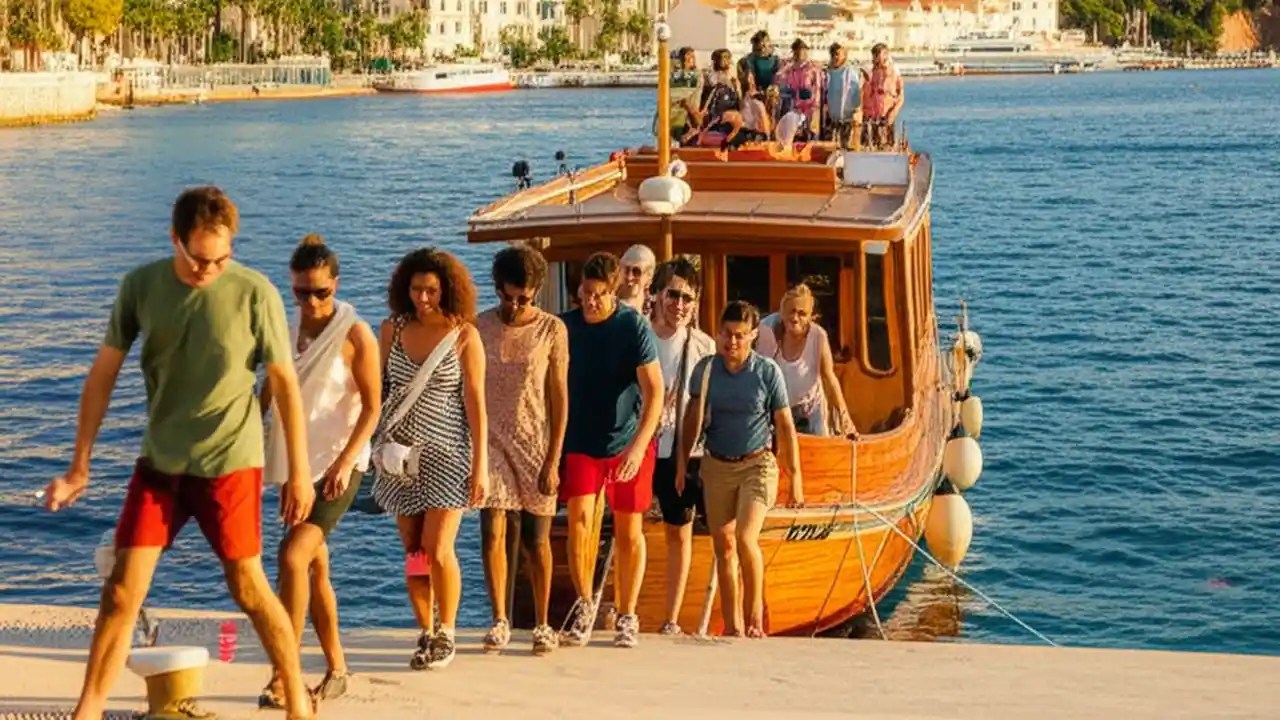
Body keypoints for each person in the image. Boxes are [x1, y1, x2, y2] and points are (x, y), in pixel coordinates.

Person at [42, 186, 317, 720]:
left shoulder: (255, 292)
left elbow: (284, 386)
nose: (210, 269)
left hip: (230, 464)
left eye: (222, 258)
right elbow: (103, 374)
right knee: (121, 592)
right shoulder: (141, 287)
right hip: (161, 463)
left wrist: (299, 474)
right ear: (176, 241)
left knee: (248, 586)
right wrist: (81, 464)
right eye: (199, 259)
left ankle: (298, 703)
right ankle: (88, 711)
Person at [257, 234, 381, 708]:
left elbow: (372, 408)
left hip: (337, 469)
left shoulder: (355, 335)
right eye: (301, 292)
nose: (311, 301)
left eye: (320, 292)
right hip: (295, 469)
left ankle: (282, 676)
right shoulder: (286, 334)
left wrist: (346, 462)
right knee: (314, 568)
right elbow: (267, 394)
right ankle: (337, 668)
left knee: (292, 557)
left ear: (336, 284)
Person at [372, 248, 488, 671]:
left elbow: (475, 402)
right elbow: (378, 392)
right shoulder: (392, 330)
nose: (423, 297)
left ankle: (447, 632)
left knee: (439, 548)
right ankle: (425, 629)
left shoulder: (464, 337)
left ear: (448, 290)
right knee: (413, 551)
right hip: (401, 456)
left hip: (449, 455)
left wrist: (481, 466)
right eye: (417, 289)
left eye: (432, 290)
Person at [677, 300, 802, 638]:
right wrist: (680, 463)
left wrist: (796, 477)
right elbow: (691, 420)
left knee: (746, 538)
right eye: (727, 335)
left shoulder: (766, 372)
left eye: (740, 336)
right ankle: (733, 627)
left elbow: (785, 425)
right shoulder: (705, 371)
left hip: (757, 464)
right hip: (717, 465)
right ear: (718, 334)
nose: (732, 343)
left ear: (753, 337)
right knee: (724, 546)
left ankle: (755, 619)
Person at [559, 251, 663, 649]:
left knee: (628, 530)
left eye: (600, 294)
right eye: (586, 292)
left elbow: (655, 391)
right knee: (579, 523)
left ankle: (627, 612)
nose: (591, 301)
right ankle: (585, 603)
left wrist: (638, 448)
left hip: (627, 440)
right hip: (582, 440)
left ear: (614, 291)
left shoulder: (632, 326)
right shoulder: (565, 327)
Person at [475, 245, 569, 656]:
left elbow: (559, 396)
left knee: (536, 539)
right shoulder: (479, 327)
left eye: (523, 299)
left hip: (535, 440)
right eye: (507, 296)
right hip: (491, 439)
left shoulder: (551, 330)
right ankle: (499, 619)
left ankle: (544, 623)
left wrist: (554, 457)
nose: (514, 306)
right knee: (493, 526)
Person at [648, 258, 716, 636]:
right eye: (672, 294)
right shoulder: (639, 336)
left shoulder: (703, 347)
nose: (679, 304)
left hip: (684, 452)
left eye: (687, 297)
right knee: (627, 530)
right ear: (657, 295)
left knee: (681, 530)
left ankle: (671, 618)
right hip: (641, 448)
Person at [755, 284, 856, 437]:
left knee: (820, 448)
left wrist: (844, 418)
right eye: (791, 311)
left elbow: (829, 377)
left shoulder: (818, 336)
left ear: (811, 317)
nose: (795, 318)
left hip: (810, 408)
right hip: (777, 409)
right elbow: (760, 375)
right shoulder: (768, 330)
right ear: (782, 313)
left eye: (802, 313)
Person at [774, 39, 823, 140]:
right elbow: (778, 78)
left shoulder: (812, 68)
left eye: (803, 50)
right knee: (792, 136)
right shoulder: (789, 68)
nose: (801, 53)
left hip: (810, 107)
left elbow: (817, 88)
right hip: (794, 107)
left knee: (811, 135)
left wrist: (814, 105)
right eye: (798, 51)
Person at [860, 43, 904, 148]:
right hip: (872, 116)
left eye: (879, 55)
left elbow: (901, 96)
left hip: (887, 115)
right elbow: (865, 94)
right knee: (869, 146)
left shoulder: (894, 71)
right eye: (875, 56)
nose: (877, 59)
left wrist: (894, 112)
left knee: (886, 146)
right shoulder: (871, 71)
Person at [824, 42, 861, 149]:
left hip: (847, 118)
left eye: (837, 54)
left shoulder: (850, 72)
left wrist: (856, 112)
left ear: (844, 55)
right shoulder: (827, 72)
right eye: (833, 54)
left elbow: (856, 94)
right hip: (832, 118)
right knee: (830, 148)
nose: (835, 57)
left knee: (846, 148)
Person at [737, 30, 780, 100]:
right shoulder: (745, 61)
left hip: (771, 97)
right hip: (753, 98)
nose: (762, 47)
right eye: (759, 46)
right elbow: (742, 83)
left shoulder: (776, 60)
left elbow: (778, 80)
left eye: (764, 44)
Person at [619, 244, 656, 315]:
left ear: (649, 277)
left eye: (636, 272)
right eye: (626, 271)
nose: (630, 277)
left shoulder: (656, 311)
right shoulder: (608, 307)